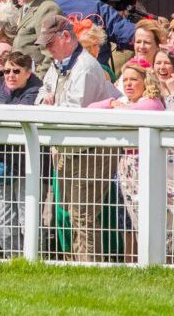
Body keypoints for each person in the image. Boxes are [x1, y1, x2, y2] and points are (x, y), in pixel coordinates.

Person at [33, 15, 118, 261]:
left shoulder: (86, 66)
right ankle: (76, 264)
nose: (47, 50)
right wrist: (46, 100)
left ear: (66, 37)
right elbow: (43, 91)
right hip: (69, 149)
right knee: (70, 212)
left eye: (50, 43)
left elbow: (75, 109)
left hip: (91, 149)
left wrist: (50, 102)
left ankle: (87, 268)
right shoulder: (58, 63)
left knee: (83, 214)